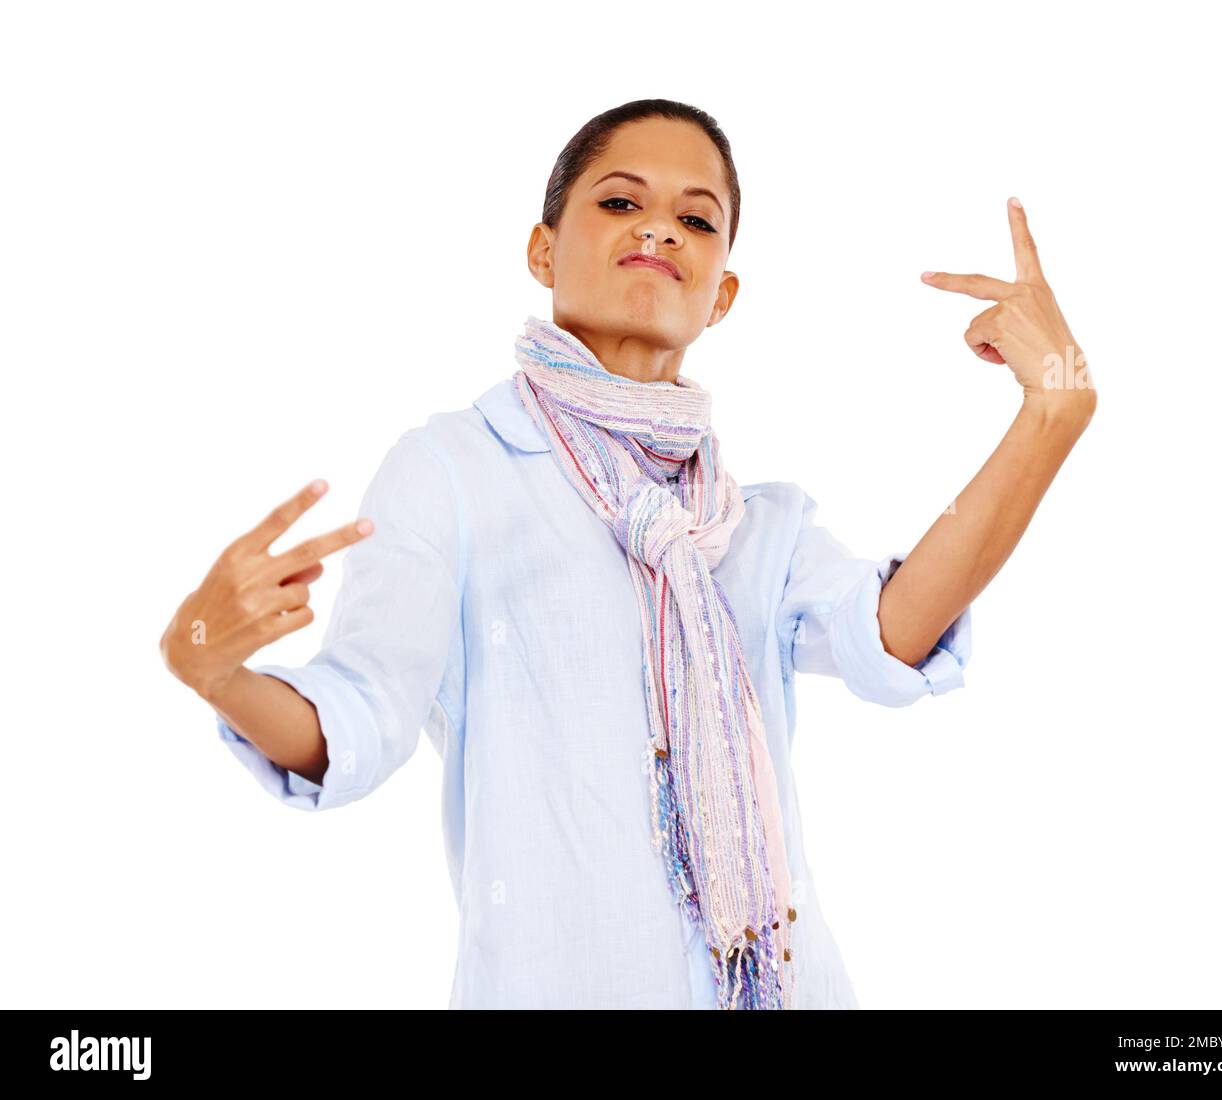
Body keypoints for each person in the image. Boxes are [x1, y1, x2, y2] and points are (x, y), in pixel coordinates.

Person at [158, 98, 1096, 1010]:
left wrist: (1052, 412)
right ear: (541, 249)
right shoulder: (456, 471)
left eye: (697, 218)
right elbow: (354, 720)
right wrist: (211, 666)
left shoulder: (757, 526)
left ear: (723, 292)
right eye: (619, 202)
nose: (660, 231)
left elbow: (892, 633)